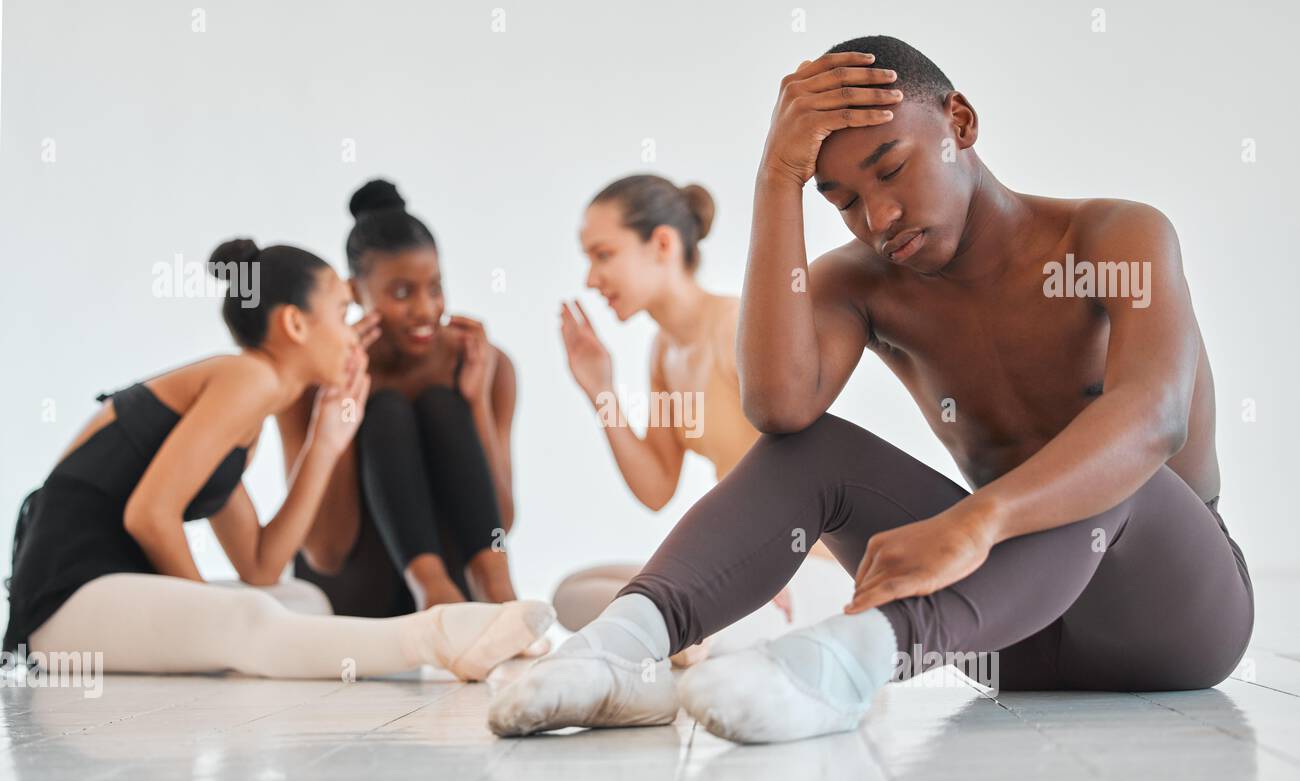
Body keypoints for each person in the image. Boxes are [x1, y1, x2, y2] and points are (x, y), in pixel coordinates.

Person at [486, 36, 1253, 743]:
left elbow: (1154, 417)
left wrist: (980, 519)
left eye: (891, 169)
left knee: (1112, 456)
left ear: (960, 121)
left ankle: (842, 663)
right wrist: (775, 179)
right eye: (842, 200)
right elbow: (779, 408)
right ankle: (621, 652)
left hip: (1172, 616)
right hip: (1007, 634)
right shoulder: (862, 283)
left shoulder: (1113, 236)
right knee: (810, 448)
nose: (879, 216)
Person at [3, 238, 552, 681]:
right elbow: (149, 513)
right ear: (293, 324)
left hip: (113, 589)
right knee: (245, 618)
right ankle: (440, 637)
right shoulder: (247, 378)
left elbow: (261, 564)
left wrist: (325, 444)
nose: (354, 330)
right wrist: (205, 613)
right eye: (342, 311)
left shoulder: (248, 408)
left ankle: (448, 634)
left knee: (301, 597)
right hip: (65, 599)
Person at [555, 174, 816, 667]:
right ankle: (690, 635)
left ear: (662, 243)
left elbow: (803, 461)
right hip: (735, 559)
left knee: (627, 606)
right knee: (571, 594)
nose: (591, 279)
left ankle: (699, 634)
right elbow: (656, 487)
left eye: (603, 255)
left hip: (799, 560)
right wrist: (601, 391)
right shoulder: (664, 352)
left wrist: (767, 562)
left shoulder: (735, 324)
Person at [280, 180, 541, 663]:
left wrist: (476, 402)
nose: (425, 310)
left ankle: (497, 595)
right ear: (355, 292)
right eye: (402, 293)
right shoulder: (311, 375)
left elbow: (499, 522)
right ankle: (432, 591)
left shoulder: (486, 363)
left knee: (442, 404)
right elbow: (324, 551)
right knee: (386, 411)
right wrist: (339, 394)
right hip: (361, 600)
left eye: (435, 288)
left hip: (469, 595)